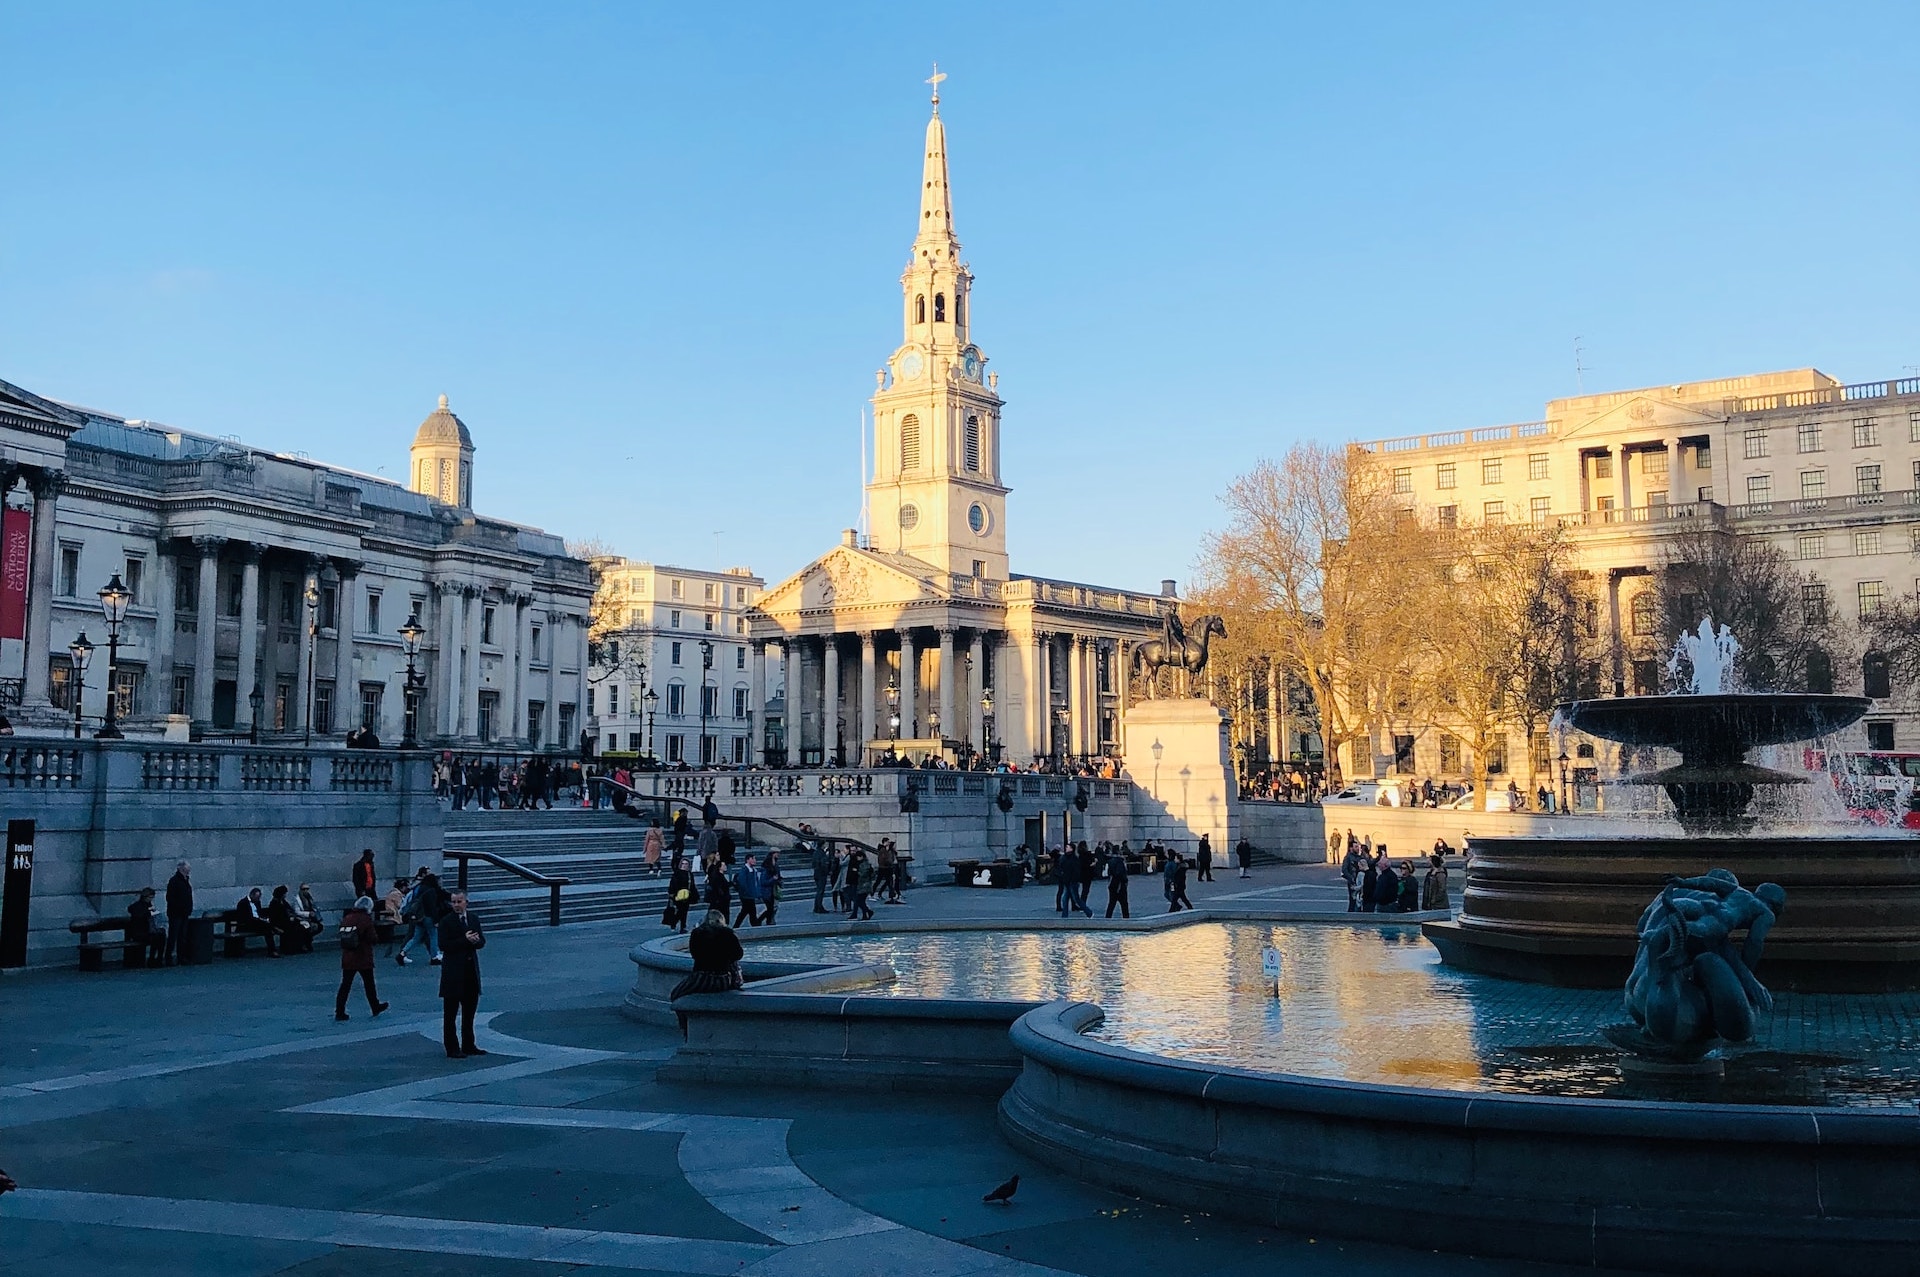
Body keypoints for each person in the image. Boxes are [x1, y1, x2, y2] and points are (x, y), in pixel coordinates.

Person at [669, 910, 744, 1035]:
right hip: (724, 979)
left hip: (702, 978)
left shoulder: (698, 934)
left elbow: (694, 954)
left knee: (676, 994)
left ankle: (684, 1025)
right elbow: (738, 955)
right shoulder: (728, 934)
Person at [437, 889, 487, 1059]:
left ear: (466, 902)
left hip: (470, 971)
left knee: (469, 1012)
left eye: (459, 901)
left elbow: (481, 941)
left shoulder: (473, 918)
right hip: (453, 973)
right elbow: (444, 945)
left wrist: (476, 941)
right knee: (450, 1014)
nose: (456, 905)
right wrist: (464, 940)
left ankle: (469, 1044)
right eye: (454, 902)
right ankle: (451, 1047)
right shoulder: (446, 921)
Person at [335, 896, 390, 1021]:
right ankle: (375, 1006)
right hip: (363, 955)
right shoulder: (365, 919)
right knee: (369, 984)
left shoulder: (348, 917)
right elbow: (373, 938)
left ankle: (339, 1010)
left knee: (345, 984)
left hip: (348, 956)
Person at [397, 869, 445, 966]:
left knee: (416, 937)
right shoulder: (431, 891)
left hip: (418, 916)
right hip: (428, 917)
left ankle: (402, 953)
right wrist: (436, 920)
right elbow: (432, 907)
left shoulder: (419, 888)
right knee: (433, 935)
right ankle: (434, 957)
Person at [266, 885, 316, 954]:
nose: (285, 895)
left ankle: (300, 946)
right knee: (297, 928)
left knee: (301, 926)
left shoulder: (283, 901)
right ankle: (292, 948)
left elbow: (290, 909)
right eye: (284, 893)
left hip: (286, 921)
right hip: (279, 923)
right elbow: (275, 916)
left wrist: (292, 916)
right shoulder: (274, 903)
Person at [235, 887, 281, 957]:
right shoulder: (243, 903)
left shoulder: (257, 902)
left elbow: (260, 913)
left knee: (267, 928)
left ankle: (272, 950)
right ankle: (274, 929)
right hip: (247, 924)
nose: (258, 899)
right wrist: (259, 919)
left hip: (258, 923)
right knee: (266, 926)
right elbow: (244, 918)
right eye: (257, 897)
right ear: (252, 895)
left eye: (259, 897)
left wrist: (262, 919)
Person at [127, 887, 166, 967]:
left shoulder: (149, 905)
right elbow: (139, 915)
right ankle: (151, 959)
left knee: (161, 935)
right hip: (139, 932)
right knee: (155, 938)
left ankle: (159, 958)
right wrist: (149, 914)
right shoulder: (137, 906)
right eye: (150, 897)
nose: (151, 899)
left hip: (147, 930)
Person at [163, 860, 193, 965]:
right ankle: (168, 957)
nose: (188, 870)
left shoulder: (185, 880)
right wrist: (179, 907)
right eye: (187, 868)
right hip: (176, 913)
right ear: (181, 868)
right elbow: (170, 898)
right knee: (173, 936)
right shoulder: (174, 881)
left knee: (182, 936)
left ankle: (181, 957)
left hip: (184, 913)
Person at [663, 856, 697, 933]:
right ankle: (675, 922)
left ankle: (682, 926)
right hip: (677, 895)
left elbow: (692, 885)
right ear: (680, 865)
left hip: (687, 896)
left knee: (684, 912)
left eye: (686, 864)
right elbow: (672, 884)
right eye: (683, 864)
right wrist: (672, 894)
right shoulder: (677, 874)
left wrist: (694, 895)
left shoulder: (689, 874)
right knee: (680, 911)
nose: (685, 865)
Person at [732, 855, 764, 928]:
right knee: (748, 911)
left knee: (748, 911)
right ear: (747, 860)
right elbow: (743, 883)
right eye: (752, 858)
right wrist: (748, 892)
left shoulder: (753, 870)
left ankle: (753, 924)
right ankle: (753, 925)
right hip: (746, 895)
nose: (754, 860)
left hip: (749, 895)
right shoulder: (744, 870)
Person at [846, 849, 875, 921]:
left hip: (864, 885)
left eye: (858, 857)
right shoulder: (864, 863)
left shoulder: (864, 864)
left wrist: (857, 871)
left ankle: (868, 912)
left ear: (861, 856)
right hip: (864, 885)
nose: (857, 859)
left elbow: (864, 874)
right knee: (861, 901)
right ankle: (865, 914)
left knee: (859, 900)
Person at [1104, 845, 1131, 919]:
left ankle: (1107, 917)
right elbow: (1120, 873)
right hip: (1119, 885)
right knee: (1124, 904)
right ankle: (1126, 918)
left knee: (1111, 903)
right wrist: (1125, 881)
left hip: (1112, 884)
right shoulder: (1120, 861)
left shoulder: (1110, 861)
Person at [809, 832, 833, 914]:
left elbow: (814, 863)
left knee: (819, 891)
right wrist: (827, 871)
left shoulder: (816, 852)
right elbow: (823, 864)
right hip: (821, 874)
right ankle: (819, 907)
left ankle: (817, 906)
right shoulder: (821, 853)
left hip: (816, 873)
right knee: (820, 891)